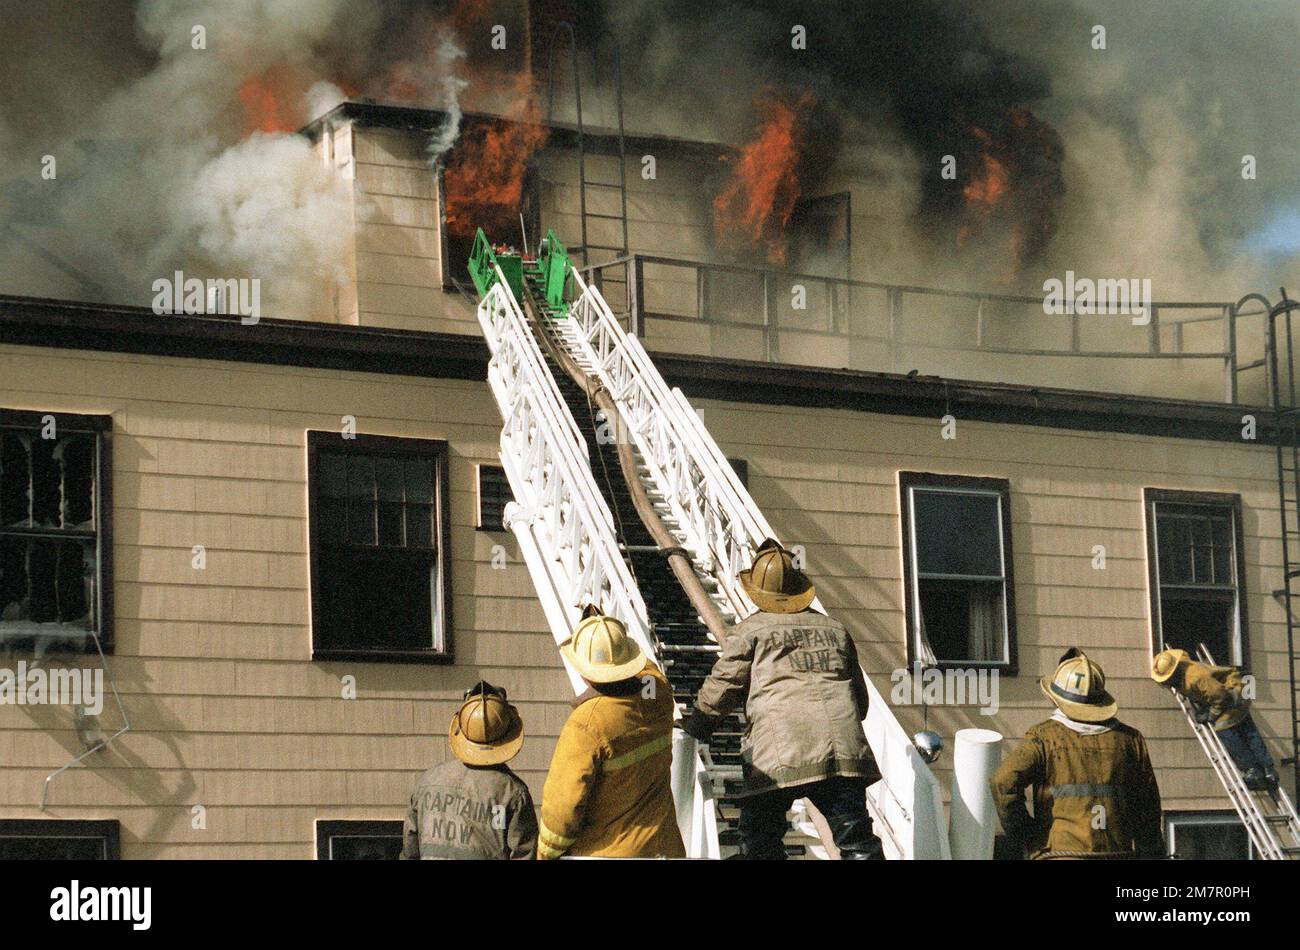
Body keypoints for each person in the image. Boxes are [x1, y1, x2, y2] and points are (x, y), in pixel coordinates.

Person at [678, 538, 883, 860]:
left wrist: (698, 725)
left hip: (777, 753)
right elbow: (860, 700)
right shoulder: (835, 629)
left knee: (762, 840)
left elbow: (723, 686)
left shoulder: (751, 631)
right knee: (856, 840)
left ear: (756, 590)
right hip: (842, 752)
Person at [537, 607, 685, 859]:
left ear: (584, 671)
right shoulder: (658, 693)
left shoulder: (587, 724)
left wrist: (544, 854)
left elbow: (562, 810)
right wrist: (613, 645)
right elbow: (646, 672)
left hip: (607, 854)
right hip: (663, 849)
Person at [991, 647, 1164, 859]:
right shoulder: (1131, 740)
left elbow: (1002, 781)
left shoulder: (1043, 737)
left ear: (1055, 698)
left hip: (1059, 854)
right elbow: (1148, 810)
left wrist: (1028, 836)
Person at [400, 681, 537, 859]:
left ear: (461, 728)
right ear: (510, 733)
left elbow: (410, 851)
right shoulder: (513, 793)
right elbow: (525, 854)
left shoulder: (427, 782)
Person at [1152, 648, 1279, 792]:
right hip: (1235, 689)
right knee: (1247, 730)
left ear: (1173, 673)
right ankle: (1268, 769)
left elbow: (1220, 697)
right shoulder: (1183, 665)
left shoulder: (1196, 678)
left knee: (1225, 730)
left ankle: (1252, 770)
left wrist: (1210, 715)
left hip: (1232, 694)